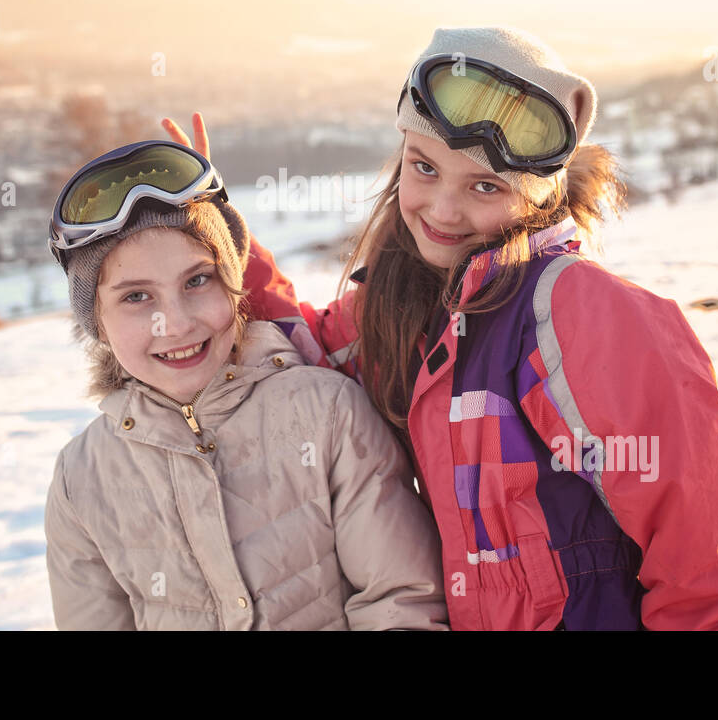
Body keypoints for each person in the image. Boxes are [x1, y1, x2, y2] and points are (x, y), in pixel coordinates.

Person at [163, 26, 718, 630]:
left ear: (537, 197)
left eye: (485, 186)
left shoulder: (583, 311)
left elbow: (703, 552)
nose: (443, 210)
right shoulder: (408, 304)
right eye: (424, 168)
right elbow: (311, 352)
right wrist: (224, 234)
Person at [43, 140, 448, 630]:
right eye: (135, 296)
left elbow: (400, 600)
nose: (174, 324)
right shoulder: (81, 480)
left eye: (198, 281)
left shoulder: (327, 413)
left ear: (235, 284)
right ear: (98, 323)